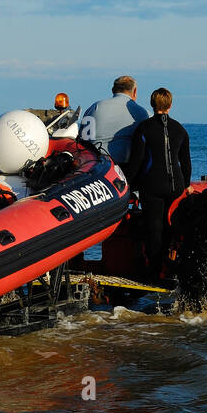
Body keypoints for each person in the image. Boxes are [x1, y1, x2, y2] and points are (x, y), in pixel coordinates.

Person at [126, 87, 191, 277]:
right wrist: (186, 185)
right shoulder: (180, 129)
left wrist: (128, 183)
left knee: (154, 227)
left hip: (152, 185)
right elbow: (185, 162)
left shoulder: (144, 128)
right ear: (170, 105)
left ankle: (155, 269)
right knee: (171, 224)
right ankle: (173, 262)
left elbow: (137, 162)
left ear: (152, 105)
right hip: (176, 185)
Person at [80, 76, 149, 165]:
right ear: (134, 92)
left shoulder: (95, 107)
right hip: (123, 169)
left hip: (92, 165)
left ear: (113, 90)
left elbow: (83, 138)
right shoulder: (142, 113)